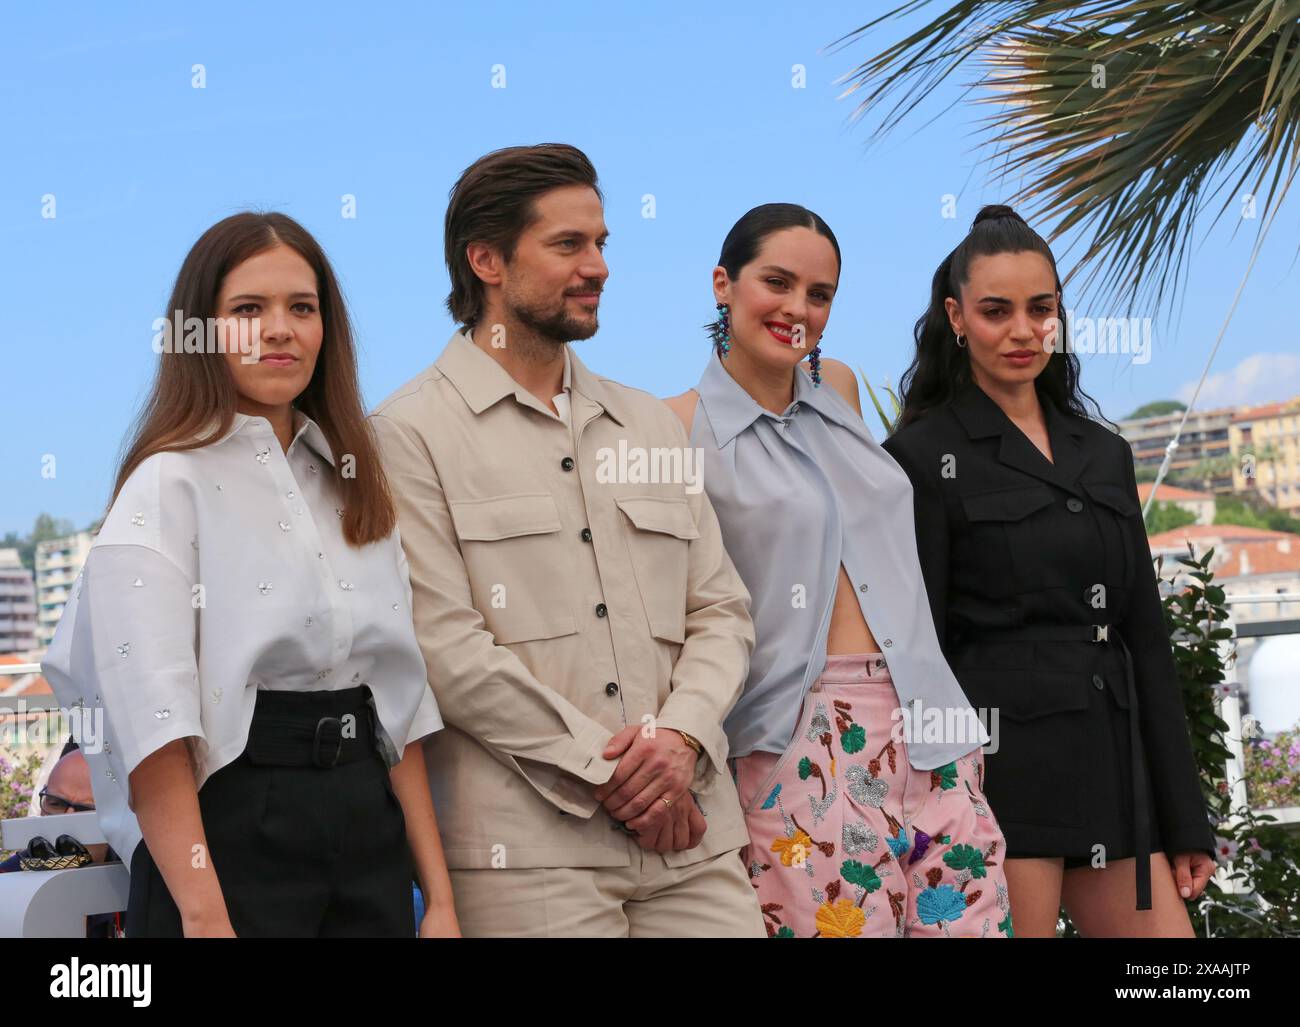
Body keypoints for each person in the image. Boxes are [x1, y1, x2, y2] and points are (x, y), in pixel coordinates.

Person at [370, 143, 765, 937]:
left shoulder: (650, 422)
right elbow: (445, 648)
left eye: (602, 243)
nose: (598, 266)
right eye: (568, 245)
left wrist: (681, 739)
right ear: (486, 260)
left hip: (691, 839)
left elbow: (722, 610)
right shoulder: (405, 433)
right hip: (528, 859)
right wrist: (614, 770)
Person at [42, 212, 459, 938]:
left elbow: (400, 710)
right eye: (247, 310)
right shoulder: (165, 488)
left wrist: (443, 903)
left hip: (366, 833)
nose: (280, 329)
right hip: (227, 837)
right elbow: (154, 730)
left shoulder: (355, 485)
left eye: (302, 307)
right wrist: (204, 917)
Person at [664, 203, 1011, 938]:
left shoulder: (842, 388)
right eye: (777, 282)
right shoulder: (676, 426)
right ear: (723, 284)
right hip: (796, 738)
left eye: (819, 294)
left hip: (928, 720)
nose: (798, 308)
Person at [880, 204, 1217, 937]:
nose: (1023, 330)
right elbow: (917, 648)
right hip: (1001, 776)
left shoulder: (1104, 452)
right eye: (997, 311)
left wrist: (1183, 817)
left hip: (1113, 770)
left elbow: (1147, 639)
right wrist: (924, 803)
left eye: (1041, 309)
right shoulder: (918, 455)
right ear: (956, 316)